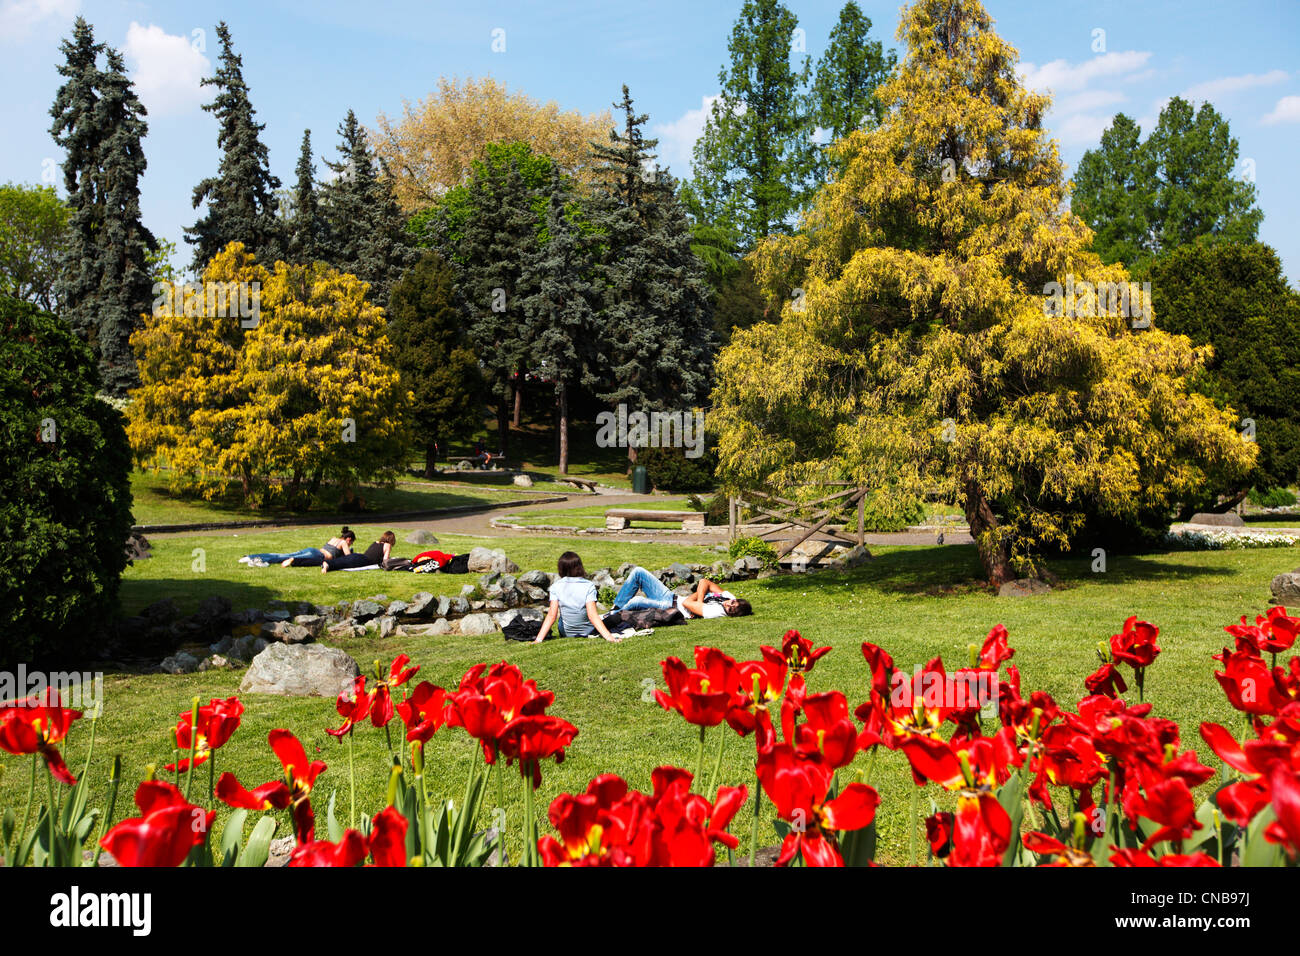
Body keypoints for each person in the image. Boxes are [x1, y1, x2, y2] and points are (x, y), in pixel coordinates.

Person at [534, 551, 620, 643]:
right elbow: (592, 616)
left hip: (566, 633)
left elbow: (551, 615)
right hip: (588, 632)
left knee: (562, 619)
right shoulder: (589, 586)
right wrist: (609, 637)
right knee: (615, 617)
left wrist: (538, 640)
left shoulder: (555, 587)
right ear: (580, 567)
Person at [612, 566, 752, 619]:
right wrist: (699, 602)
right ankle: (616, 608)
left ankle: (611, 618)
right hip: (670, 596)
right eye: (732, 603)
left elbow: (686, 603)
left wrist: (696, 600)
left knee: (637, 601)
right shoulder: (729, 597)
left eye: (730, 609)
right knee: (638, 572)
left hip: (670, 607)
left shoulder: (715, 612)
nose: (728, 604)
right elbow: (704, 582)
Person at [241, 528, 355, 568]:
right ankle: (258, 559)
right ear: (349, 539)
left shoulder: (334, 538)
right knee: (284, 557)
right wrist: (351, 552)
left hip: (313, 550)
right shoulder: (344, 543)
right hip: (317, 555)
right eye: (351, 543)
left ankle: (250, 557)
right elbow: (349, 558)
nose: (350, 545)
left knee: (284, 555)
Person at [322, 531, 396, 573]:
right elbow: (385, 561)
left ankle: (328, 564)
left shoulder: (376, 542)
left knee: (345, 560)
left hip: (361, 556)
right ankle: (328, 565)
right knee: (346, 563)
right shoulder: (388, 545)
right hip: (365, 560)